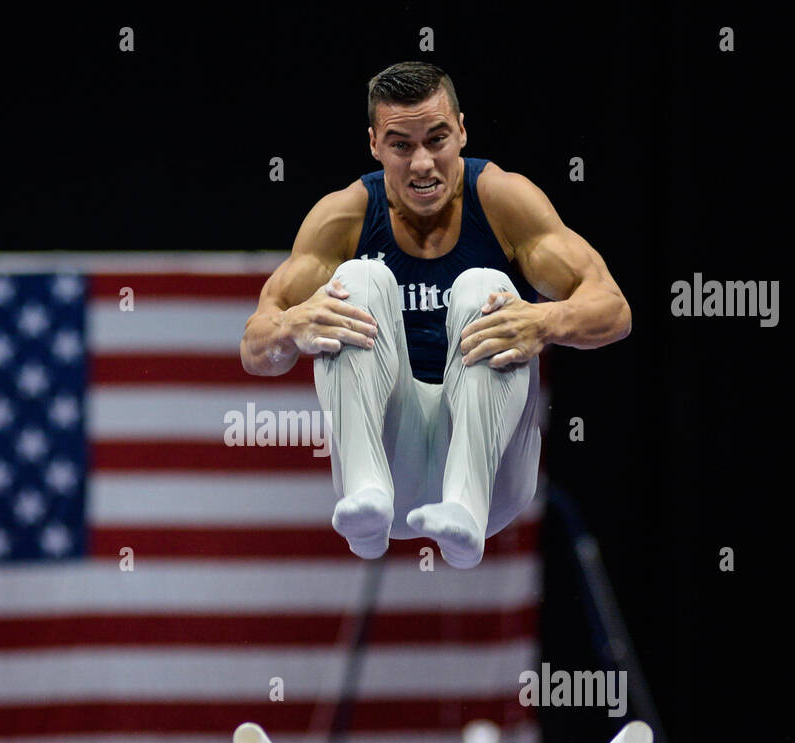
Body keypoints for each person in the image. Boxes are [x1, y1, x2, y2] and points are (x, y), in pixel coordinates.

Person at [240, 61, 631, 568]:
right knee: (355, 283)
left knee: (485, 287)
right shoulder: (343, 217)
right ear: (375, 145)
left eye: (437, 139)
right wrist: (293, 327)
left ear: (463, 132)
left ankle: (464, 511)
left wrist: (544, 321)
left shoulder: (503, 199)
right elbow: (255, 347)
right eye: (401, 145)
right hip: (391, 458)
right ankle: (366, 495)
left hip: (492, 477)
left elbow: (615, 310)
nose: (422, 163)